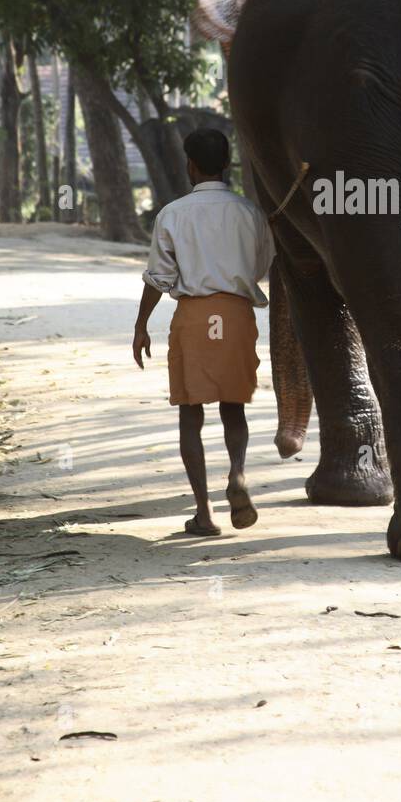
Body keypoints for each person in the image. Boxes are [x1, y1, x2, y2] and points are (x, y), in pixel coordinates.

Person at [132, 128, 275, 537]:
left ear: (190, 165)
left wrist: (141, 325)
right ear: (227, 165)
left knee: (190, 415)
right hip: (236, 315)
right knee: (234, 407)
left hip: (194, 318)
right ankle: (239, 474)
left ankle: (204, 514)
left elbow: (158, 278)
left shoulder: (173, 214)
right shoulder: (250, 213)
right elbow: (262, 264)